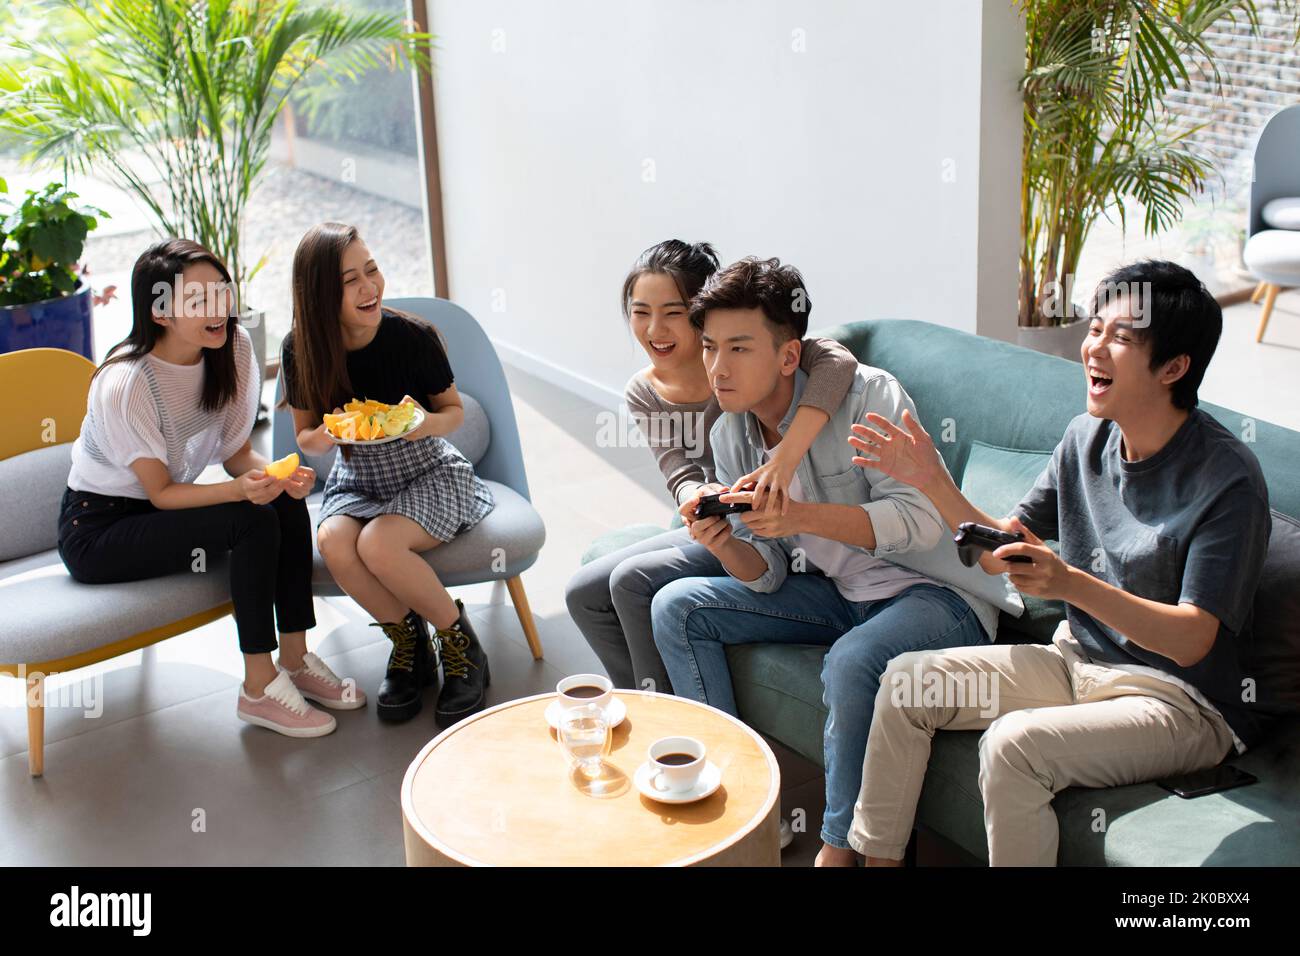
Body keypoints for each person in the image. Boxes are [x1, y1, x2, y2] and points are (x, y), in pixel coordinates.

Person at [845, 260, 1272, 866]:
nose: (1092, 347)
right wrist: (930, 479)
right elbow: (999, 553)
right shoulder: (1086, 438)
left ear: (1174, 367)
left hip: (1181, 703)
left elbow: (1194, 640)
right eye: (1094, 328)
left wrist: (1070, 582)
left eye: (1120, 338)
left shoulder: (1227, 480)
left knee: (1014, 746)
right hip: (1076, 662)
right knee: (908, 682)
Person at [648, 256, 1020, 861]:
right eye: (711, 347)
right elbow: (767, 573)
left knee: (853, 661)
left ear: (789, 356)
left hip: (938, 596)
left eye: (739, 348)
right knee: (677, 607)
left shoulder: (868, 396)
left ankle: (836, 847)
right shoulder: (730, 435)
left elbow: (922, 518)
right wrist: (730, 547)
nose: (717, 368)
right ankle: (742, 807)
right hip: (840, 596)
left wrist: (798, 517)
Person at [58, 238, 353, 738]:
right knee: (251, 515)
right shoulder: (126, 381)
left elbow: (236, 454)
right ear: (160, 312)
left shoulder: (232, 346)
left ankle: (296, 658)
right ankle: (258, 687)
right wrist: (241, 493)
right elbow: (163, 495)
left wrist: (278, 475)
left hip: (159, 511)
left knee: (279, 496)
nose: (218, 308)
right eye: (198, 301)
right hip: (99, 528)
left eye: (222, 292)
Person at [565, 240, 860, 694]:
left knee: (630, 581)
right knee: (583, 593)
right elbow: (678, 469)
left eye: (673, 312)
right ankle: (642, 702)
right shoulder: (645, 390)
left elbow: (837, 361)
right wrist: (695, 498)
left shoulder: (752, 363)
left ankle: (664, 714)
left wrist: (785, 456)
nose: (653, 329)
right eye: (640, 312)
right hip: (714, 514)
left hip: (763, 524)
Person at [281, 222, 495, 727]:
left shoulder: (413, 337)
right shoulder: (301, 348)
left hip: (428, 468)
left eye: (371, 270)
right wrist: (333, 434)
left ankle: (461, 645)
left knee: (378, 543)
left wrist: (421, 423)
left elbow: (454, 415)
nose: (369, 287)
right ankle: (408, 643)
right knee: (334, 541)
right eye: (350, 280)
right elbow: (306, 436)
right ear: (318, 296)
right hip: (358, 476)